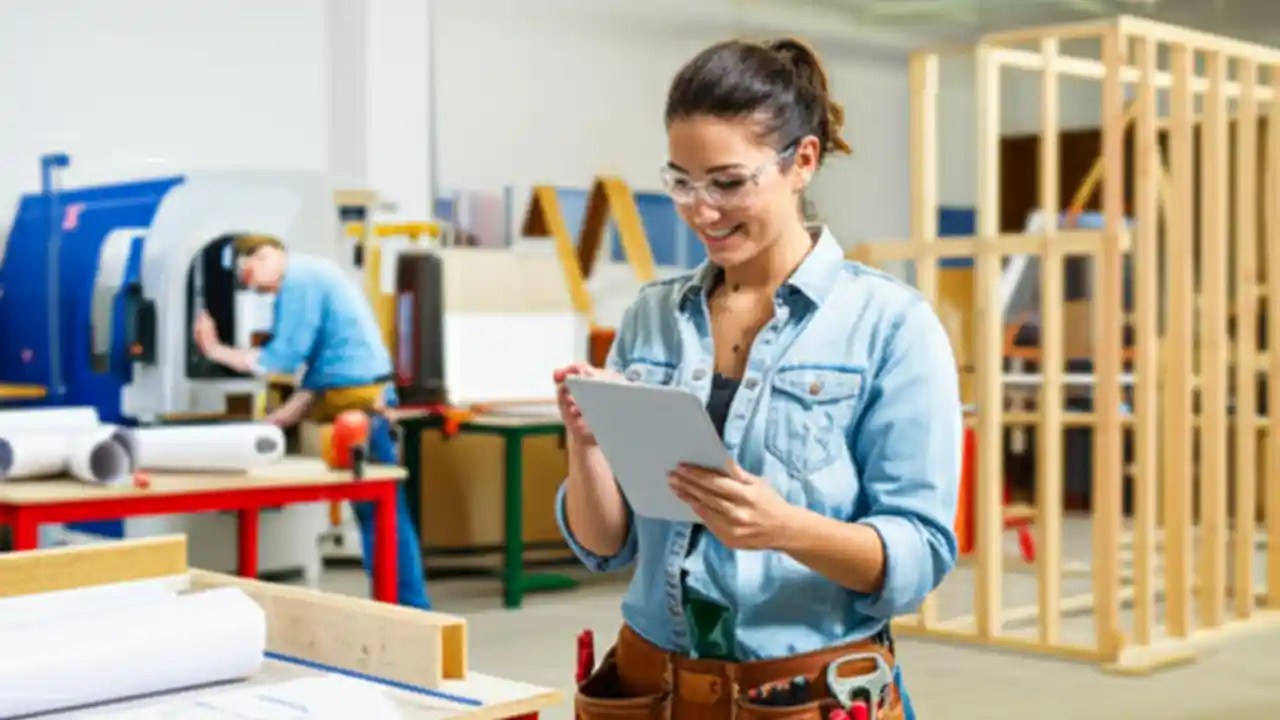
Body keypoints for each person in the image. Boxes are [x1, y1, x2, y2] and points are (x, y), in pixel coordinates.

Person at [552, 37, 960, 720]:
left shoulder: (890, 325)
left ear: (802, 161)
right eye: (681, 181)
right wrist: (586, 444)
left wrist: (785, 528)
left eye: (729, 182)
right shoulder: (653, 316)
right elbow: (604, 546)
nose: (700, 209)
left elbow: (919, 554)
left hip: (805, 693)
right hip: (651, 687)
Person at [193, 234, 433, 610]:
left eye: (249, 276)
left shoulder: (299, 280)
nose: (255, 288)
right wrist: (277, 421)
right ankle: (399, 605)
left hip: (361, 409)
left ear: (263, 256)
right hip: (359, 401)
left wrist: (214, 350)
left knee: (380, 511)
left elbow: (282, 359)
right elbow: (319, 377)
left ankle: (407, 609)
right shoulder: (315, 275)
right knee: (377, 509)